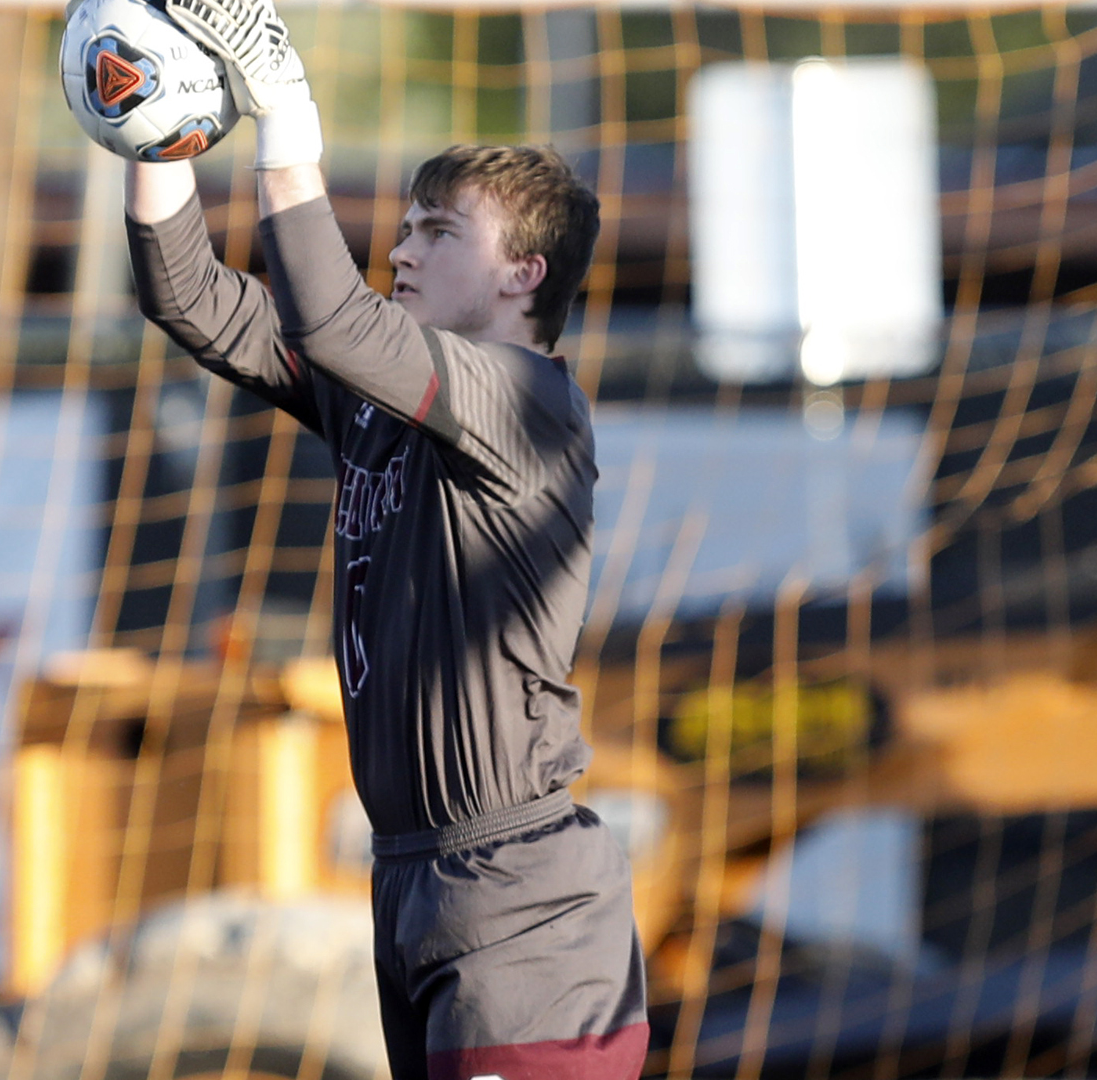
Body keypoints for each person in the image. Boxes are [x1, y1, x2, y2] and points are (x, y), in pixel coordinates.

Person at [110, 0, 648, 1073]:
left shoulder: (527, 398)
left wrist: (285, 105)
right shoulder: (378, 398)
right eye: (402, 226)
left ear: (522, 274)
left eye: (437, 232)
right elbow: (192, 298)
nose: (399, 250)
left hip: (525, 908)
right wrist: (153, 133)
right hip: (413, 886)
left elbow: (328, 315)